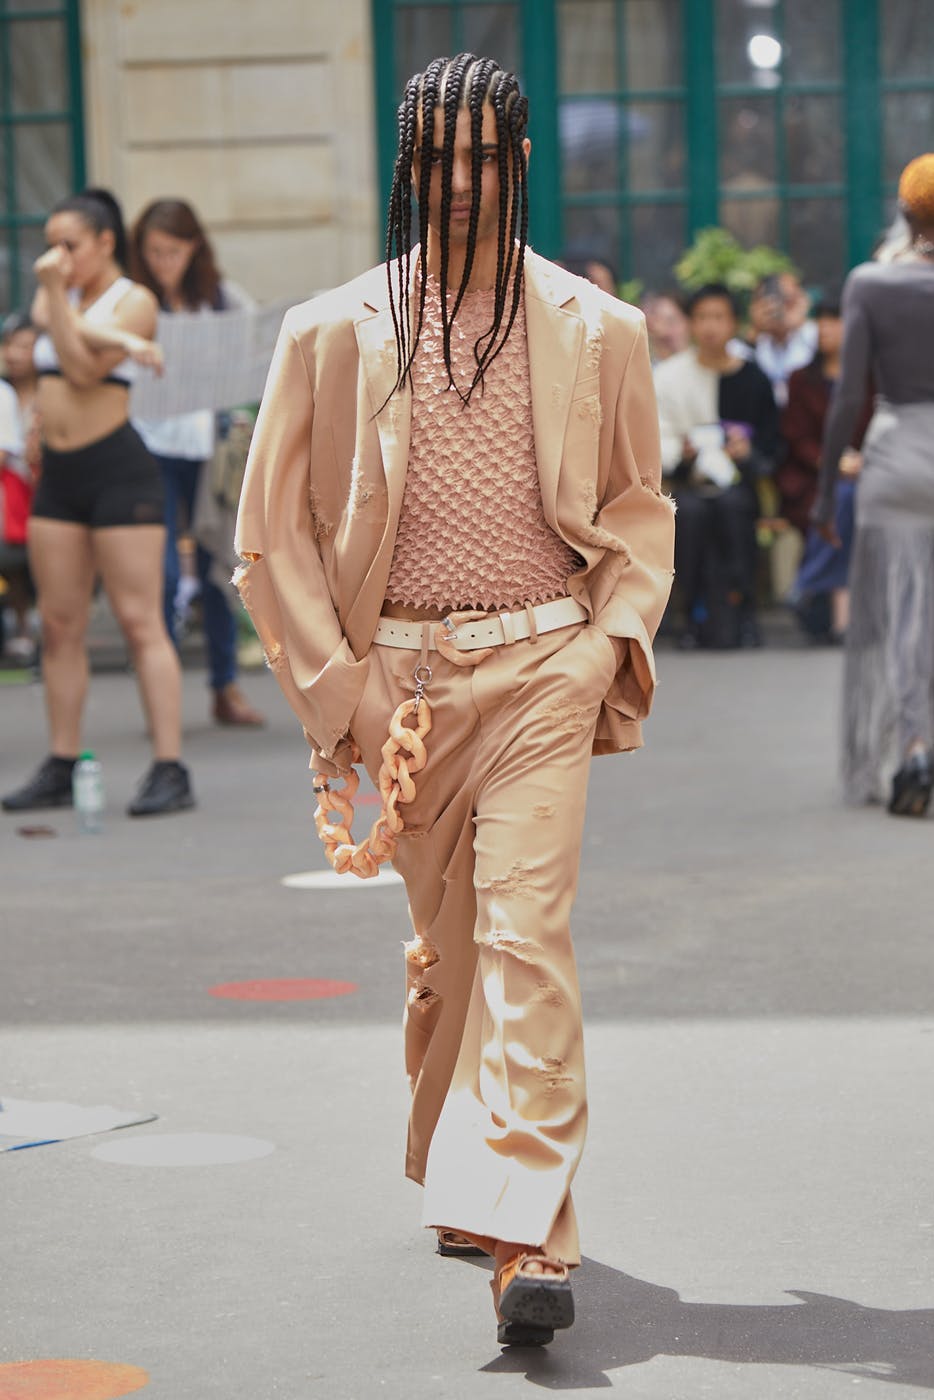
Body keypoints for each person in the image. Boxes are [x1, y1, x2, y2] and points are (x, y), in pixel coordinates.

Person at [234, 53, 674, 1345]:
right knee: (450, 954)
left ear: (521, 163)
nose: (464, 183)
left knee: (527, 937)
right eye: (439, 159)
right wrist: (348, 693)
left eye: (487, 158)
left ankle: (530, 1234)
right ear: (408, 166)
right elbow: (273, 540)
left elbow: (638, 514)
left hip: (546, 661)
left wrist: (606, 645)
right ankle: (464, 1172)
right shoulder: (329, 333)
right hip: (403, 685)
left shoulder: (601, 330)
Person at [1, 188, 194, 817]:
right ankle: (62, 760)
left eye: (70, 245)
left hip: (117, 468)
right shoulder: (55, 292)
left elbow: (83, 370)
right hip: (59, 474)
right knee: (60, 625)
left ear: (105, 242)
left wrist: (67, 304)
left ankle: (170, 766)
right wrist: (66, 301)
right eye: (51, 245)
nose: (57, 259)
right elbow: (57, 340)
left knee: (142, 622)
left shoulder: (133, 300)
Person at [814, 153, 934, 817]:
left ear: (907, 213)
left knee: (905, 617)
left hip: (896, 462)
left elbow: (847, 399)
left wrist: (826, 492)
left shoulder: (871, 284)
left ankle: (913, 744)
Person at [129, 199, 264, 727]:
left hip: (208, 450)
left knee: (219, 568)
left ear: (193, 248)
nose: (164, 262)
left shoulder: (219, 296)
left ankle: (224, 687)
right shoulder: (133, 299)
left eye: (174, 251)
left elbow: (254, 346)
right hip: (146, 446)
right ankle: (160, 701)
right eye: (154, 252)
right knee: (158, 576)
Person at [654, 283, 779, 648]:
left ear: (734, 323)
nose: (710, 326)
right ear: (691, 324)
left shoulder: (753, 377)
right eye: (702, 317)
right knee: (688, 515)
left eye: (718, 317)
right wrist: (686, 453)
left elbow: (771, 443)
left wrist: (746, 453)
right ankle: (690, 613)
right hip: (686, 485)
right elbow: (659, 439)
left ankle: (745, 613)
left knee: (733, 508)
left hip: (738, 486)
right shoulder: (670, 377)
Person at [780, 302, 872, 643]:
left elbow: (877, 428)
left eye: (834, 321)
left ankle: (809, 583)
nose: (826, 329)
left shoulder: (869, 377)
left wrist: (863, 461)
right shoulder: (801, 379)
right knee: (839, 500)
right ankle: (839, 615)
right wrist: (828, 462)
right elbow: (796, 435)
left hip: (865, 473)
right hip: (812, 477)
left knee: (849, 499)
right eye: (821, 322)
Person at [0, 314, 39, 660]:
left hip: (43, 496)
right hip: (14, 503)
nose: (15, 353)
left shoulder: (53, 392)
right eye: (11, 344)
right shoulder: (5, 394)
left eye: (25, 345)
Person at [736, 271, 817, 407]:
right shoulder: (748, 343)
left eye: (787, 300)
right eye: (768, 300)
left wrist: (799, 324)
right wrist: (754, 333)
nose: (776, 306)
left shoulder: (815, 336)